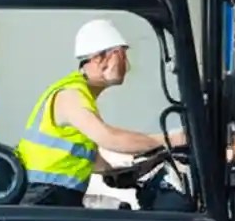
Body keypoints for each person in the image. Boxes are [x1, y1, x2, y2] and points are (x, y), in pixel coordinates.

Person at [15, 18, 186, 207]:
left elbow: (81, 154)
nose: (126, 65)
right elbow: (109, 138)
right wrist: (172, 139)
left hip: (54, 196)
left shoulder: (82, 95)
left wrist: (112, 172)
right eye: (121, 55)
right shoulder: (71, 95)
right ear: (99, 58)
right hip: (44, 198)